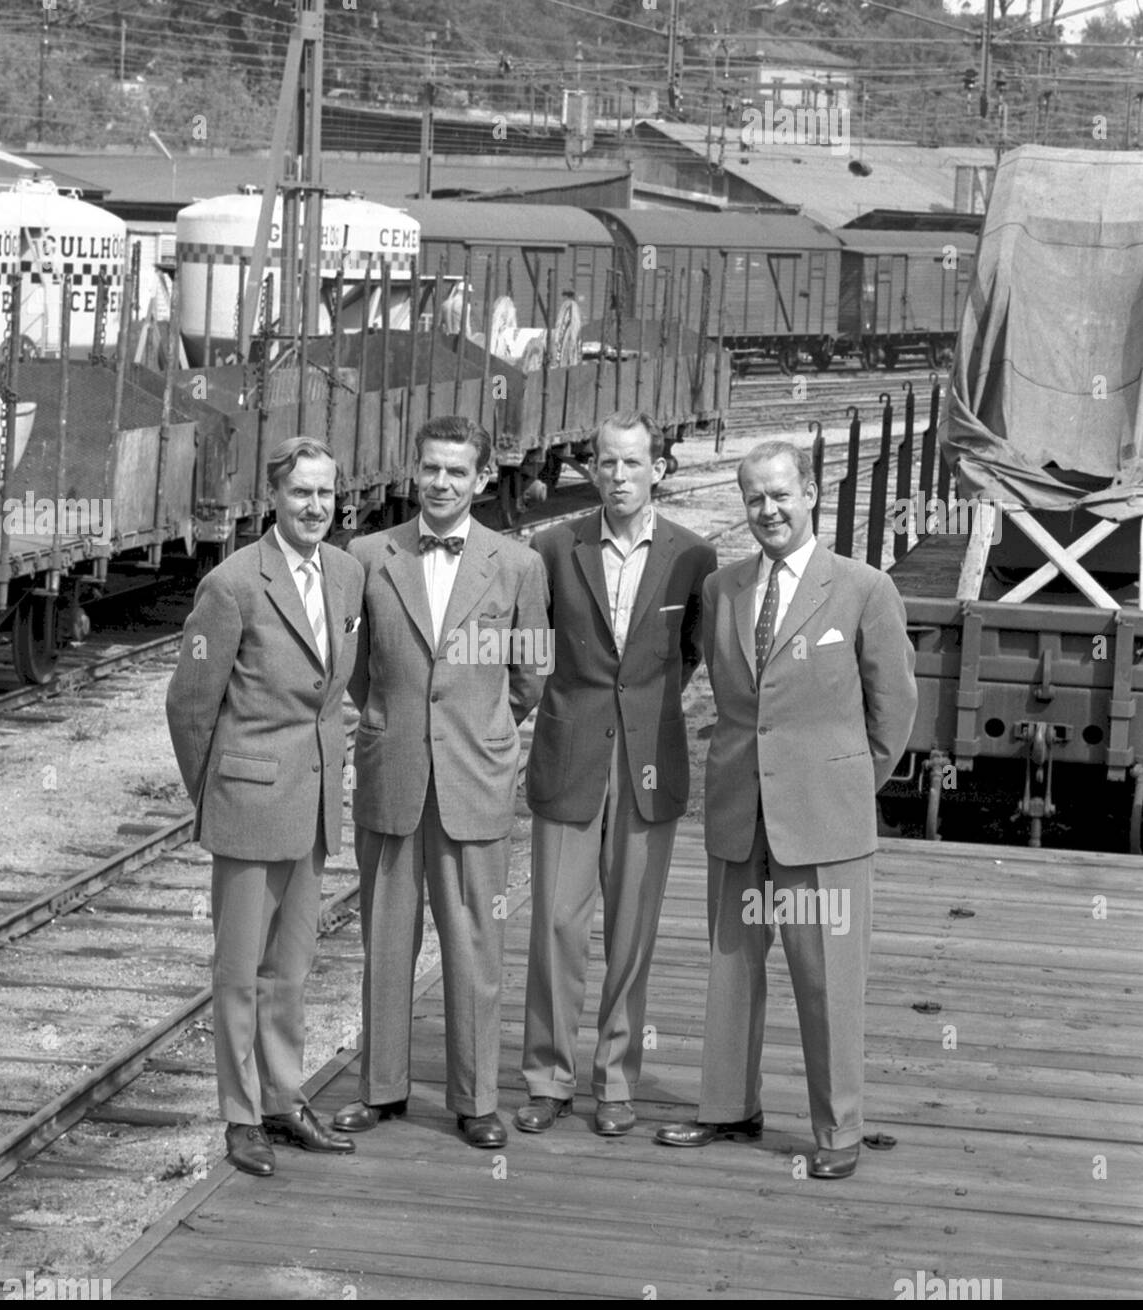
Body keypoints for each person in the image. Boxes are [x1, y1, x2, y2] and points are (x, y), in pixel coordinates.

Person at [656, 439, 916, 1179]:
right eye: (754, 499)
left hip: (823, 820)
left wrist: (844, 785)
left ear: (809, 492)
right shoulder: (726, 589)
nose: (768, 510)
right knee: (732, 963)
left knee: (826, 975)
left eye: (780, 494)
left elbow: (893, 707)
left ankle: (839, 1131)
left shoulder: (862, 588)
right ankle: (728, 1108)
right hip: (741, 807)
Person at [339, 416, 550, 1149]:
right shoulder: (368, 555)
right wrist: (391, 720)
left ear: (483, 479)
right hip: (393, 769)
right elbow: (359, 669)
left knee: (475, 944)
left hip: (474, 777)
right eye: (431, 469)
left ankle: (476, 1098)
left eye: (457, 472)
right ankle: (381, 1088)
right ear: (414, 470)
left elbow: (531, 675)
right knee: (384, 939)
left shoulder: (519, 565)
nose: (441, 483)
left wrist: (483, 728)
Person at [517, 410, 718, 1138]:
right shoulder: (552, 547)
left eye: (634, 464)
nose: (619, 476)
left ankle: (616, 1082)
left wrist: (644, 711)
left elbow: (689, 653)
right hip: (570, 759)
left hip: (649, 764)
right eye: (606, 463)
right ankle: (546, 1078)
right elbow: (528, 644)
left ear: (657, 469)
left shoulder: (694, 557)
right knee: (555, 928)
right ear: (592, 469)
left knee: (633, 933)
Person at [166, 437, 363, 1177]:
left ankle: (284, 1099)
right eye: (301, 493)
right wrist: (218, 792)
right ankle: (240, 1117)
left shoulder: (345, 575)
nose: (315, 506)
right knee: (239, 972)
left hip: (312, 807)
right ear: (273, 497)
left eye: (326, 493)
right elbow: (190, 704)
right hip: (250, 807)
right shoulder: (232, 585)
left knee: (293, 968)